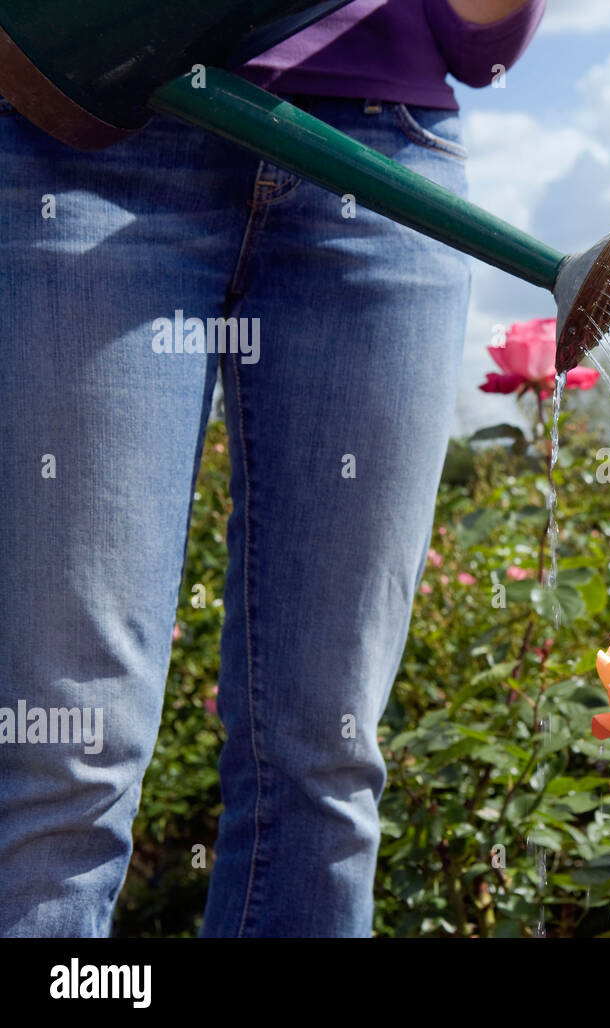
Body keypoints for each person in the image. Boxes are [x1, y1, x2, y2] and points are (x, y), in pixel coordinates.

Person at [0, 0, 546, 938]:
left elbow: (481, 35)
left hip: (380, 164)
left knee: (327, 766)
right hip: (81, 122)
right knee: (70, 752)